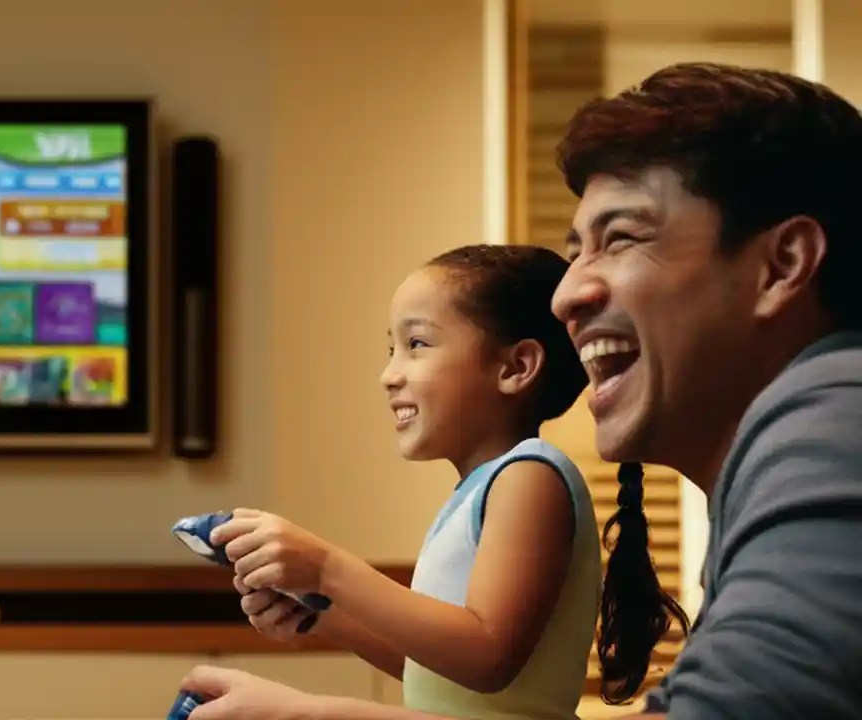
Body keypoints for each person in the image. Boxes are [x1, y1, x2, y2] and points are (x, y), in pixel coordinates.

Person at [178, 62, 862, 720]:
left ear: (784, 264)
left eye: (619, 238)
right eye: (574, 255)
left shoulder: (835, 426)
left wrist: (317, 684)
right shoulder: (784, 470)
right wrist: (328, 613)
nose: (569, 294)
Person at [203, 244, 685, 720]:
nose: (389, 375)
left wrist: (327, 569)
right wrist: (322, 612)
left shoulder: (531, 477)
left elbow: (487, 657)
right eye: (392, 349)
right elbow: (439, 672)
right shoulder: (480, 491)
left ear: (516, 368)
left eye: (417, 344)